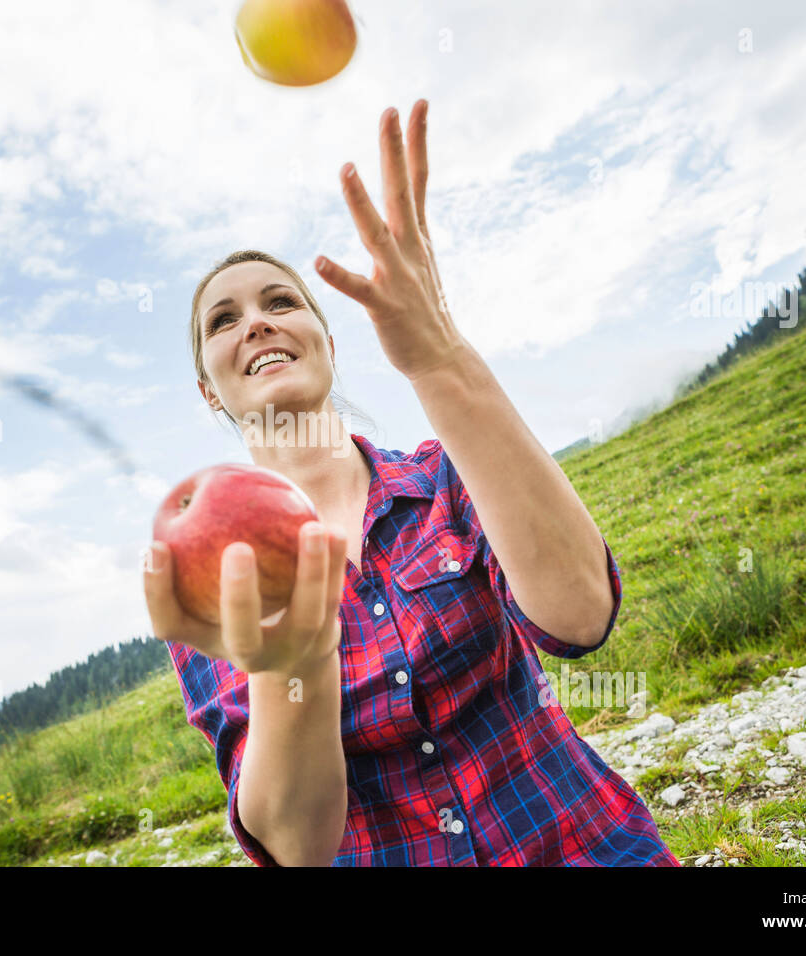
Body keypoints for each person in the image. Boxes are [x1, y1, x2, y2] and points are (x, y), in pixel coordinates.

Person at [142, 100, 679, 867]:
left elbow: (581, 616)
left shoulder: (442, 476)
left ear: (328, 342)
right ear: (208, 392)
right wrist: (292, 662)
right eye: (223, 320)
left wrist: (440, 357)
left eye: (281, 302)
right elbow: (296, 843)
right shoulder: (213, 574)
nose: (256, 323)